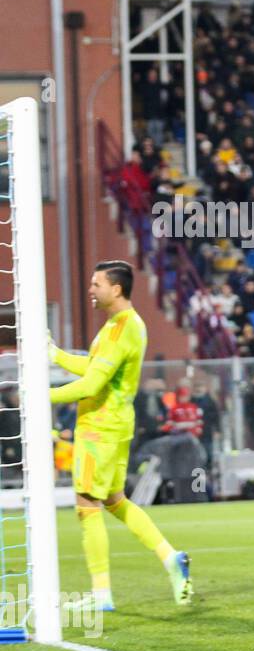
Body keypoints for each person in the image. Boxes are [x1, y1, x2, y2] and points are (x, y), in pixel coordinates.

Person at [47, 260, 192, 612]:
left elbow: (93, 384)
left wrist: (41, 396)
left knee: (85, 505)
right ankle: (171, 558)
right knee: (114, 500)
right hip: (114, 424)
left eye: (96, 284)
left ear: (116, 289)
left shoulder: (120, 328)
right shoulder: (124, 325)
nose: (91, 290)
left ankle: (101, 596)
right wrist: (55, 356)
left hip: (99, 427)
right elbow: (95, 367)